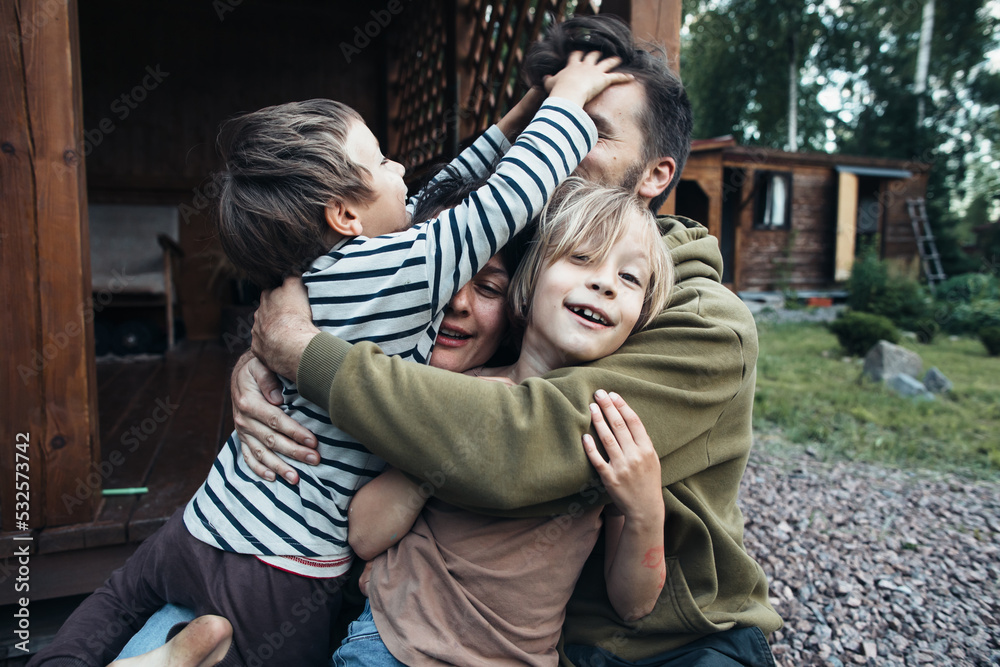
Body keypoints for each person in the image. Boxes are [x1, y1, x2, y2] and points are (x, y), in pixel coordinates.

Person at [30, 53, 631, 667]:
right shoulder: (412, 271)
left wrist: (520, 113)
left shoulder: (323, 269)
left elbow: (443, 186)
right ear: (345, 213)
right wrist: (573, 96)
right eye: (382, 159)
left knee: (118, 598)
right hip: (281, 570)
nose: (402, 169)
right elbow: (507, 194)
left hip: (204, 518)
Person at [238, 14, 783, 667]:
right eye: (559, 115)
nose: (561, 137)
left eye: (593, 127)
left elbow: (520, 440)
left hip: (669, 639)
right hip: (482, 632)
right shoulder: (521, 275)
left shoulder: (706, 321)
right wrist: (256, 360)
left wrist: (301, 352)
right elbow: (362, 275)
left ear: (655, 174)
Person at [334, 178, 673, 666]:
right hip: (396, 646)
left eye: (630, 278)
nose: (604, 283)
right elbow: (366, 535)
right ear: (529, 282)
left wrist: (645, 510)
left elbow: (634, 604)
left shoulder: (613, 431)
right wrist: (447, 442)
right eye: (581, 258)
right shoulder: (462, 388)